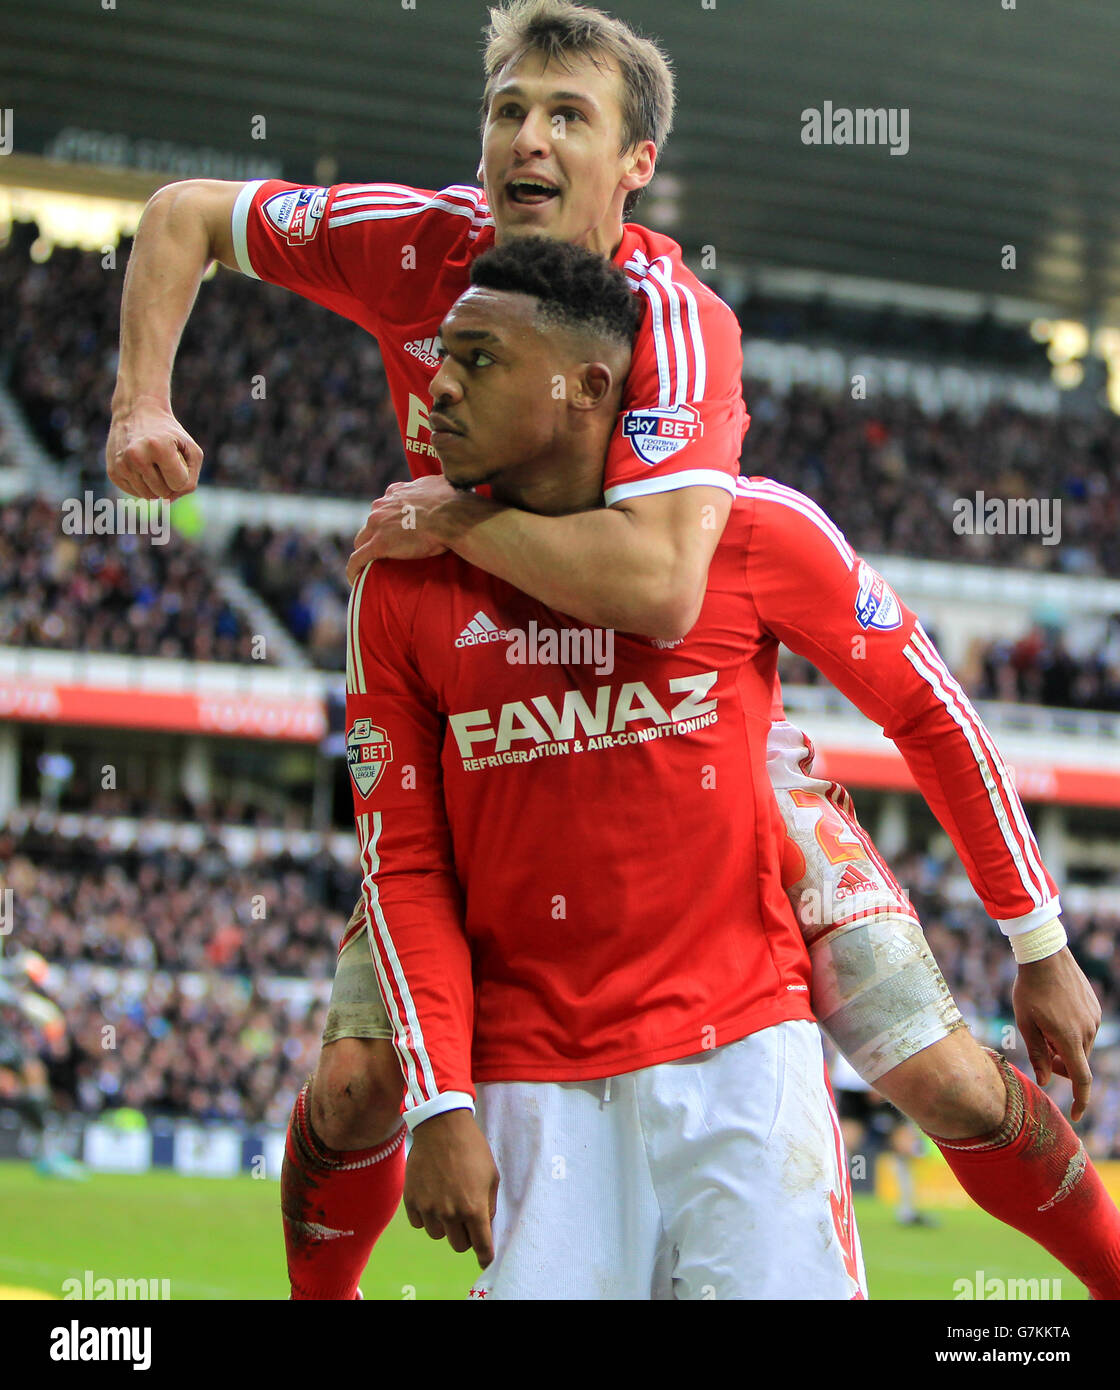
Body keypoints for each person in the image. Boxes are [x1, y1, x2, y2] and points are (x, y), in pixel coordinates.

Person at [104, 0, 1113, 1299]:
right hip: (490, 723)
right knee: (358, 1083)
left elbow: (657, 581)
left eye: (567, 115)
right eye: (509, 108)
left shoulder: (673, 323)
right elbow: (183, 210)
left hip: (693, 729)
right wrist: (142, 401)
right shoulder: (414, 243)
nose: (527, 136)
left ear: (636, 165)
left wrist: (456, 519)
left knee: (946, 1070)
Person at [348, 234, 866, 1298]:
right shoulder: (398, 586)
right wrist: (438, 1102)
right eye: (439, 354)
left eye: (478, 359)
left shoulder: (734, 539)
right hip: (532, 1085)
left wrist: (1033, 934)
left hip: (742, 1058)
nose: (435, 385)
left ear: (585, 387)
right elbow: (402, 868)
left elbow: (929, 709)